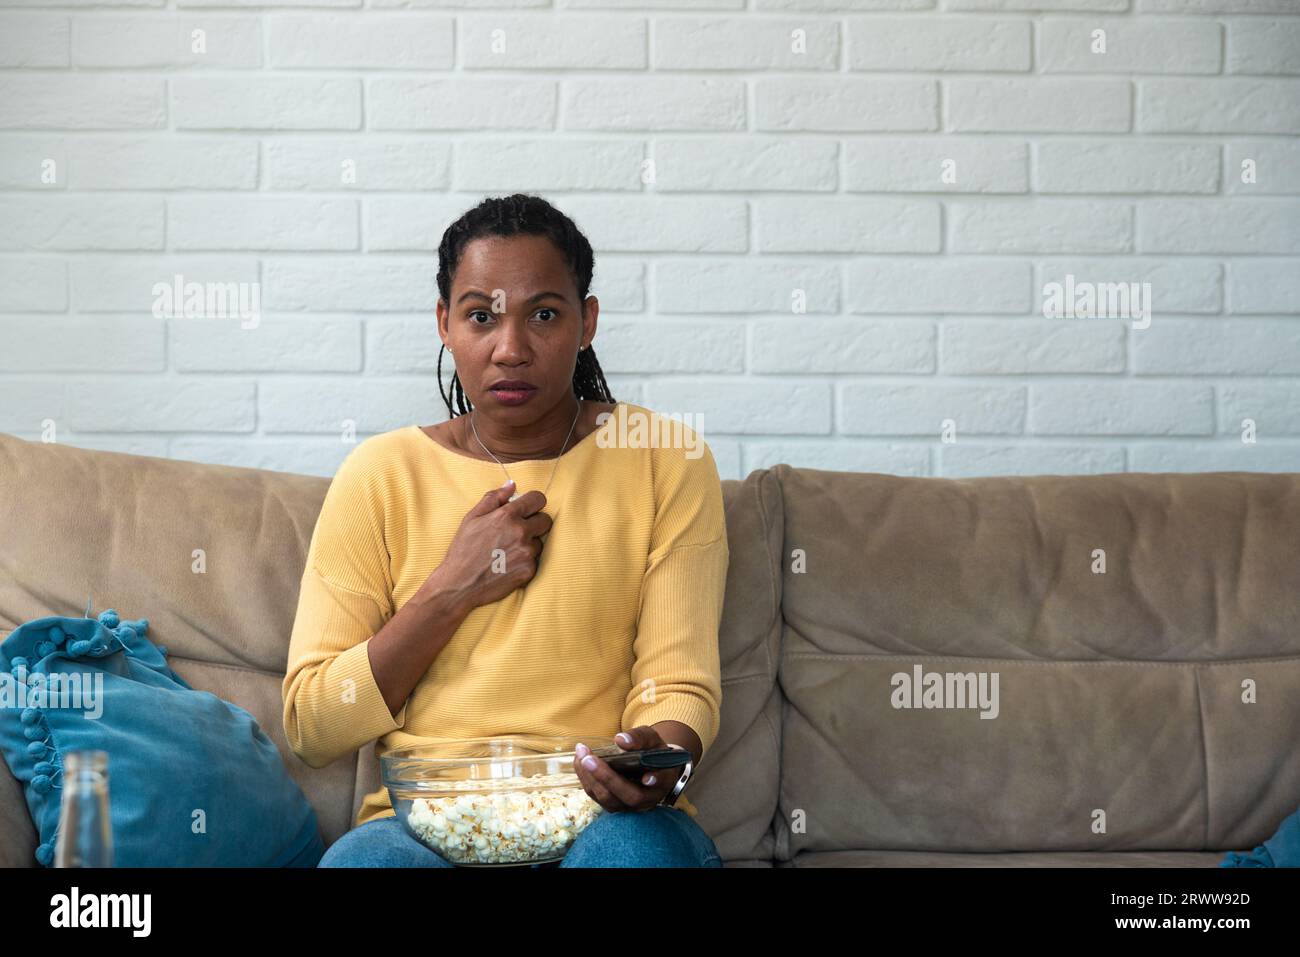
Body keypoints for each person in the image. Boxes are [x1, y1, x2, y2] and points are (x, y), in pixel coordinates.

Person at [282, 193, 728, 868]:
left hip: (604, 818)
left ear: (587, 323)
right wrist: (453, 586)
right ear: (444, 323)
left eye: (544, 314)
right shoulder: (379, 473)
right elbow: (313, 723)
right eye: (481, 316)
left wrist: (658, 757)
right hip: (421, 823)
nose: (511, 348)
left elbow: (679, 682)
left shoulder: (666, 460)